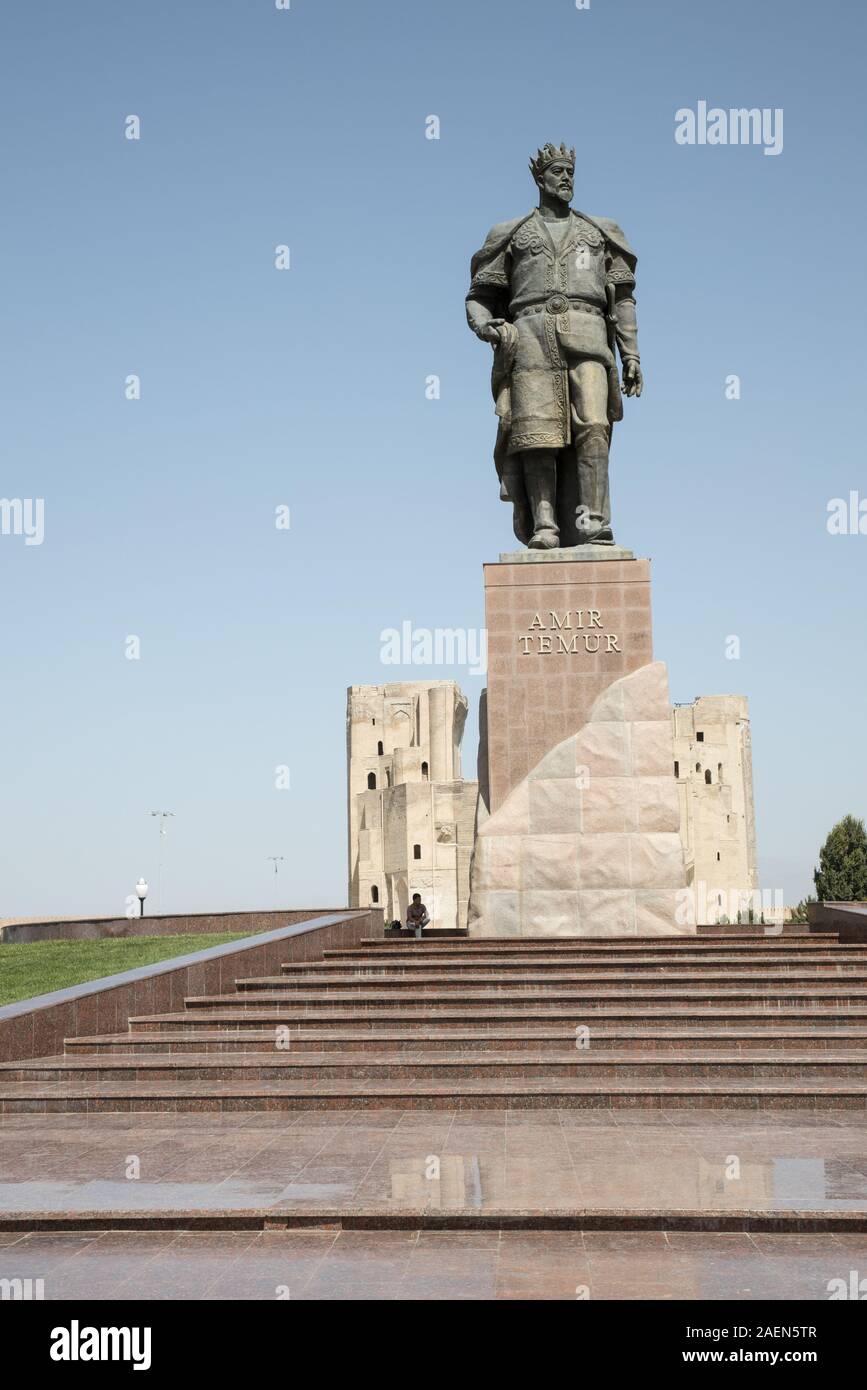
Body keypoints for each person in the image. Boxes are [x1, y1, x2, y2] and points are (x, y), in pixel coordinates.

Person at [466, 142, 642, 549]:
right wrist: (484, 325)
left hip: (589, 335)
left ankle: (593, 522)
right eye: (558, 173)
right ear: (539, 179)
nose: (566, 179)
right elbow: (479, 297)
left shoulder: (600, 232)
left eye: (570, 173)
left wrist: (631, 353)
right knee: (534, 435)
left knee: (595, 425)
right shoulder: (510, 234)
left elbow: (625, 299)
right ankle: (545, 525)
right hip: (528, 338)